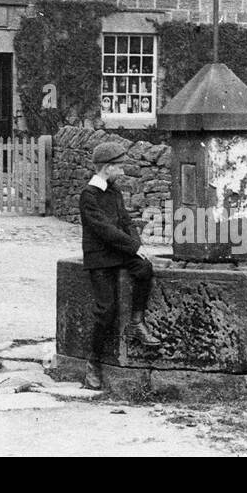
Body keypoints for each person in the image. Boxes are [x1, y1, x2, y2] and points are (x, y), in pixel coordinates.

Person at [80, 142, 159, 390]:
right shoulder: (89, 196)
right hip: (100, 257)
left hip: (118, 252)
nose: (123, 172)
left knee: (144, 269)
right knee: (106, 311)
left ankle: (137, 321)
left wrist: (138, 246)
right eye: (119, 166)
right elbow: (105, 230)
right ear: (106, 167)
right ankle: (93, 363)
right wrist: (132, 248)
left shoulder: (114, 193)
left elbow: (125, 223)